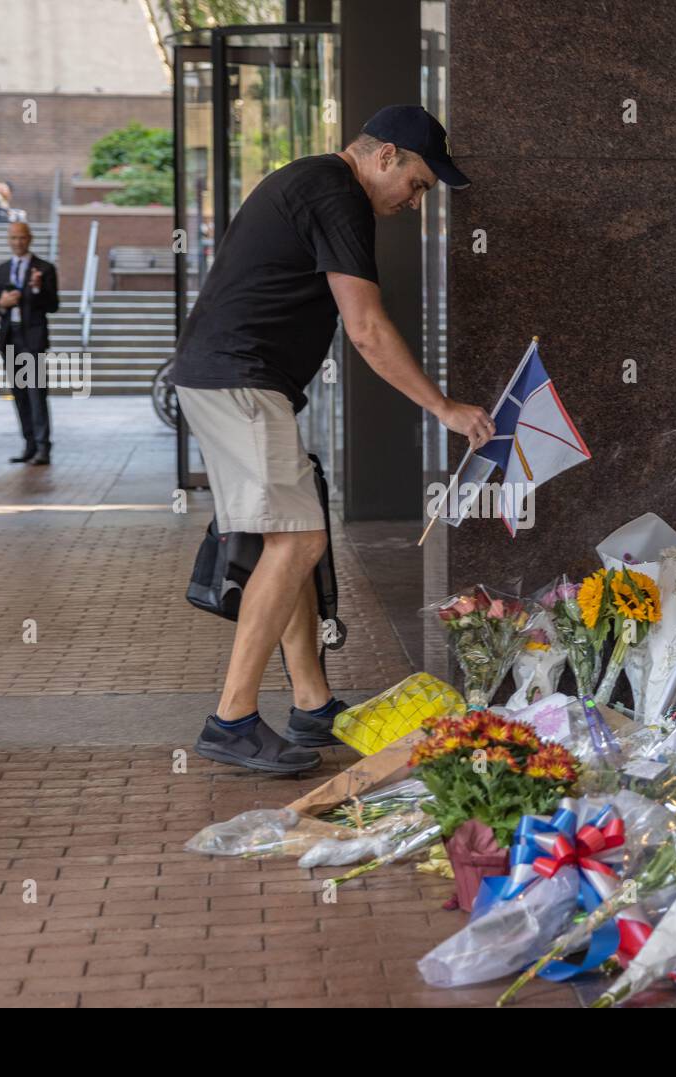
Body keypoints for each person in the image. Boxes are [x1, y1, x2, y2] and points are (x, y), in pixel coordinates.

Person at [171, 104, 493, 775]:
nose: (415, 201)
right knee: (297, 542)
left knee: (290, 536)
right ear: (385, 156)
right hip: (240, 378)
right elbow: (366, 328)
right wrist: (443, 408)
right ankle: (231, 720)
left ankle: (312, 703)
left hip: (234, 378)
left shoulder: (316, 182)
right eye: (418, 184)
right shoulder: (337, 192)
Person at [0, 222, 59, 464]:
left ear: (29, 239)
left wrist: (38, 289)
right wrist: (2, 304)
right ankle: (29, 444)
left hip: (32, 339)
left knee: (36, 393)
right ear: (8, 240)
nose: (17, 242)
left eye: (21, 238)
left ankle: (43, 446)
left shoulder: (45, 268)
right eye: (13, 238)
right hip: (10, 337)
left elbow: (53, 305)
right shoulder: (1, 270)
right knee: (19, 394)